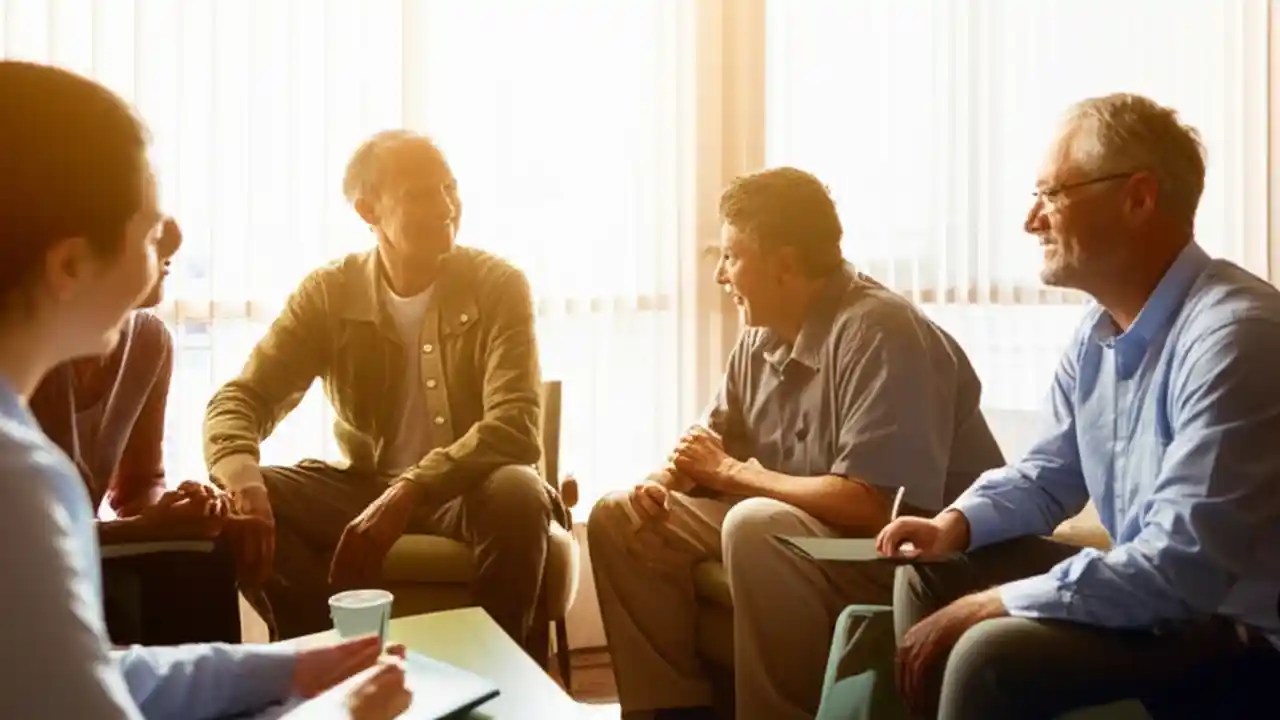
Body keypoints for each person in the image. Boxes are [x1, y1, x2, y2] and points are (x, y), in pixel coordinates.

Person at [0, 60, 409, 719]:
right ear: (70, 265)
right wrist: (340, 718)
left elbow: (90, 678)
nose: (168, 249)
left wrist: (293, 666)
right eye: (152, 229)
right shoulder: (16, 480)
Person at [878, 93, 1280, 719]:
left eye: (1051, 194)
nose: (1031, 220)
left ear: (1138, 198)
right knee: (931, 570)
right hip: (1167, 602)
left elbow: (1179, 570)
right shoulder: (1097, 333)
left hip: (1237, 632)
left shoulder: (1236, 337)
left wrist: (997, 601)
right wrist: (952, 524)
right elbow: (1047, 474)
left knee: (987, 650)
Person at [588, 167, 1003, 720]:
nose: (720, 275)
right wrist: (664, 483)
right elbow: (706, 451)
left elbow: (870, 505)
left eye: (732, 256)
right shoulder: (758, 338)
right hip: (804, 534)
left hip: (903, 554)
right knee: (619, 516)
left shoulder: (882, 332)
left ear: (784, 263)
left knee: (755, 521)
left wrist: (734, 475)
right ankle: (672, 711)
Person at [204, 129, 558, 647]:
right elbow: (242, 399)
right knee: (233, 497)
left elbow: (515, 425)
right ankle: (324, 657)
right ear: (369, 212)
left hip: (469, 492)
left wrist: (411, 488)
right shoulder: (329, 292)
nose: (445, 206)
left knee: (519, 492)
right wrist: (243, 481)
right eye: (419, 193)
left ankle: (502, 678)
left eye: (450, 188)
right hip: (362, 487)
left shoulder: (498, 284)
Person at [29, 217, 242, 646]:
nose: (175, 236)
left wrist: (180, 510)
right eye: (147, 225)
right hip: (32, 557)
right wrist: (146, 527)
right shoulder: (28, 346)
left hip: (87, 542)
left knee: (210, 548)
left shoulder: (149, 341)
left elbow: (139, 484)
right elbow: (33, 533)